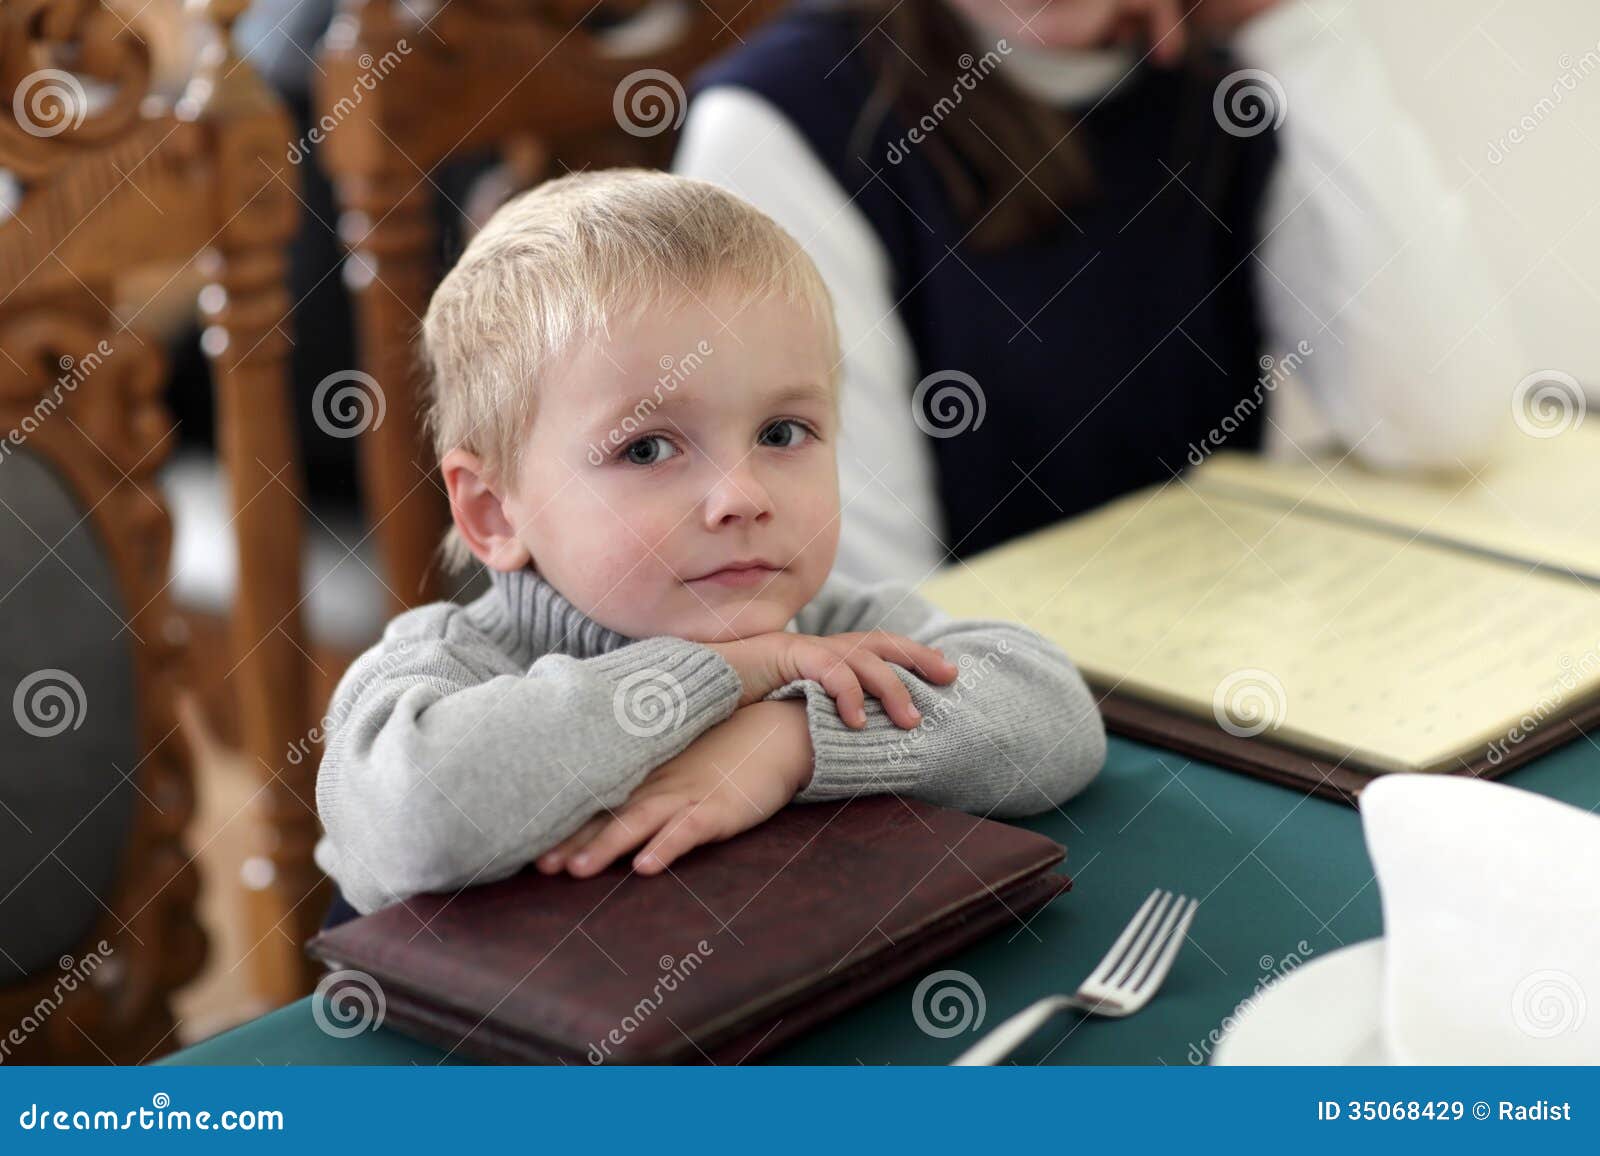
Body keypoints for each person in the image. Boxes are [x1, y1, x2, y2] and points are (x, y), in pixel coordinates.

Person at [313, 169, 1106, 922]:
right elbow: (415, 820)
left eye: (782, 433)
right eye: (648, 449)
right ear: (494, 512)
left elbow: (1055, 716)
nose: (742, 497)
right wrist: (729, 673)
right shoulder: (442, 672)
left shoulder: (826, 626)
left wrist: (789, 741)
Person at [675, 0, 1522, 585]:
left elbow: (1439, 419)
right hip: (992, 711)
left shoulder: (1225, 74)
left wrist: (1297, 27)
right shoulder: (785, 122)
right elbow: (868, 600)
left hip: (1222, 643)